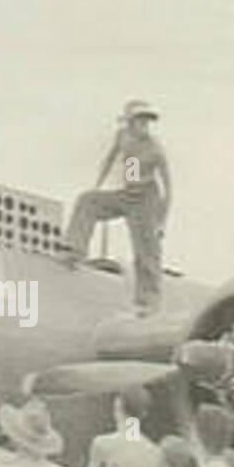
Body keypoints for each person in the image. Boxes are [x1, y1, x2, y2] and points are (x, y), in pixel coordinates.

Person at [62, 100, 172, 315]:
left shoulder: (155, 149)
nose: (145, 126)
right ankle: (75, 250)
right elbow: (112, 159)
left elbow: (169, 190)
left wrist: (161, 223)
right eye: (140, 121)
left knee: (146, 251)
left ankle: (148, 301)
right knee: (87, 200)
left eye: (147, 122)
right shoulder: (123, 137)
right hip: (128, 192)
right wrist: (97, 186)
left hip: (147, 199)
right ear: (130, 122)